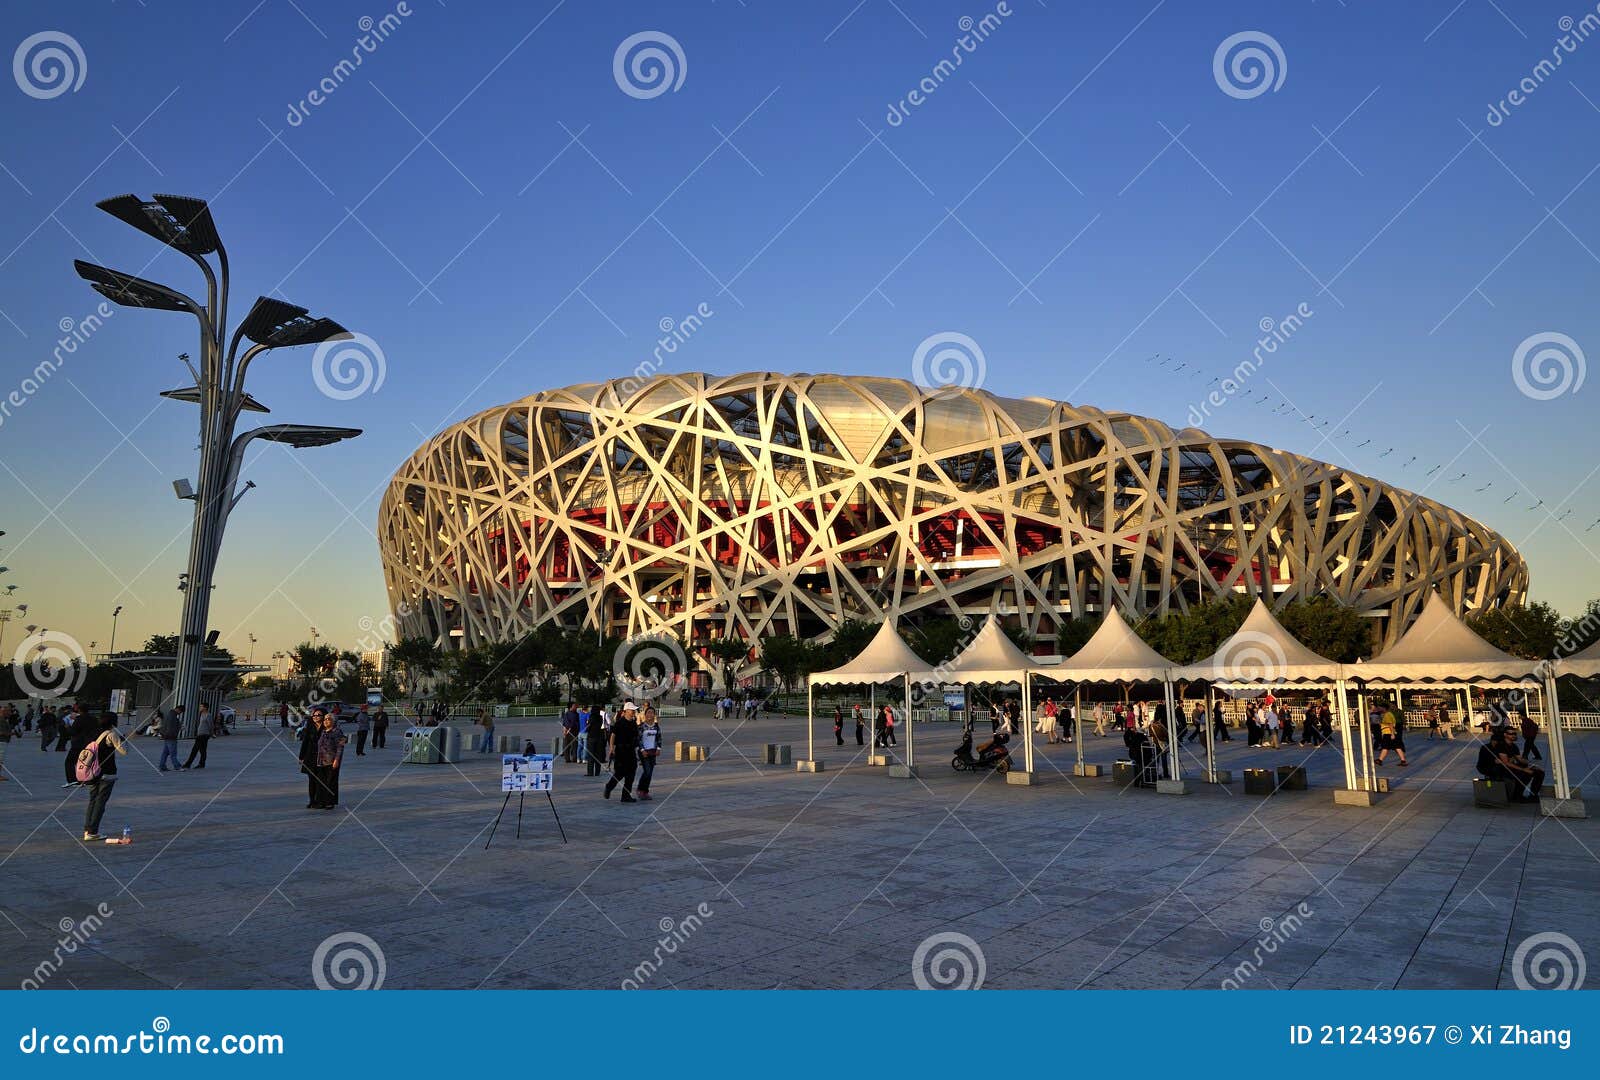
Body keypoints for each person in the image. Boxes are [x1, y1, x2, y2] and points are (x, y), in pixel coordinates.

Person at [79, 713, 127, 841]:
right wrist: (122, 738)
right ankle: (92, 832)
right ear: (113, 722)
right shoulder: (111, 734)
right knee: (100, 803)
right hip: (106, 773)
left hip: (92, 773)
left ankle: (87, 830)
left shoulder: (93, 733)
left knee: (92, 801)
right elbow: (124, 751)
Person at [604, 701, 640, 802]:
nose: (633, 712)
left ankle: (626, 796)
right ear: (626, 710)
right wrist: (611, 748)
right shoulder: (620, 722)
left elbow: (636, 737)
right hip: (621, 751)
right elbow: (613, 736)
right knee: (620, 773)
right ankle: (609, 787)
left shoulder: (633, 723)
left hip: (631, 751)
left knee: (631, 775)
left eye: (634, 710)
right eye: (631, 710)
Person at [316, 711, 348, 809]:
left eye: (328, 719)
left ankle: (330, 802)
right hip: (321, 761)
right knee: (322, 782)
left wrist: (337, 760)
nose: (325, 721)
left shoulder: (337, 731)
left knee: (330, 782)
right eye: (325, 719)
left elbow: (340, 747)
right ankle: (322, 801)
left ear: (333, 721)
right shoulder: (323, 731)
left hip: (331, 761)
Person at [300, 708, 329, 809]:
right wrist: (301, 757)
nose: (316, 717)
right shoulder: (310, 726)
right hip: (310, 757)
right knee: (311, 780)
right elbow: (305, 742)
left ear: (323, 716)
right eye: (314, 715)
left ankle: (321, 801)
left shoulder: (327, 726)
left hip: (323, 758)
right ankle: (312, 801)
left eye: (318, 715)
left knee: (321, 780)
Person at [64, 705, 95, 787]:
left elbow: (73, 732)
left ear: (79, 710)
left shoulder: (79, 719)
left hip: (78, 744)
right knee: (87, 762)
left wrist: (67, 727)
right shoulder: (94, 719)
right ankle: (89, 779)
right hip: (90, 744)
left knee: (69, 762)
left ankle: (73, 780)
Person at [637, 705, 662, 800]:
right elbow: (638, 740)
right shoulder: (641, 726)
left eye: (652, 713)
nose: (650, 714)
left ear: (654, 715)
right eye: (648, 712)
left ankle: (645, 791)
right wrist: (642, 750)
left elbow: (659, 738)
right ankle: (640, 789)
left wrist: (658, 748)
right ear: (645, 714)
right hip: (644, 752)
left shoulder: (656, 726)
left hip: (653, 751)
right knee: (647, 771)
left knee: (650, 773)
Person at [1375, 701, 1408, 767]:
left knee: (1385, 747)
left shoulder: (1387, 715)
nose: (1378, 709)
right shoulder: (1387, 714)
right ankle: (1403, 760)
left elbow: (1390, 724)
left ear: (1384, 708)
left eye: (1380, 708)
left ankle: (1380, 760)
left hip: (1388, 733)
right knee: (1396, 747)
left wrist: (1392, 734)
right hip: (1389, 732)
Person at [181, 703, 213, 769]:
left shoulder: (208, 715)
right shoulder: (201, 714)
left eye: (201, 706)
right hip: (200, 734)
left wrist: (211, 734)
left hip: (204, 735)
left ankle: (188, 764)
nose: (200, 707)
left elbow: (211, 725)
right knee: (202, 750)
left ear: (205, 708)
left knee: (195, 750)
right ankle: (201, 764)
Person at [585, 705, 606, 777]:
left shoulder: (592, 717)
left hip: (591, 737)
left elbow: (588, 727)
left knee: (591, 755)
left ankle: (590, 772)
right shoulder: (600, 717)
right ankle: (597, 772)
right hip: (599, 737)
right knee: (598, 756)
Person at [159, 705, 182, 772]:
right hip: (171, 737)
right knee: (173, 753)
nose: (180, 713)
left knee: (165, 753)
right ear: (178, 709)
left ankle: (162, 766)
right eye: (180, 711)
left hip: (166, 736)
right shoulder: (173, 717)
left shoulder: (169, 715)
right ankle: (177, 766)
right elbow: (171, 728)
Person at [0, 704, 14, 781]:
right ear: (4, 712)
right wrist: (11, 733)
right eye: (8, 712)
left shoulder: (3, 719)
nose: (10, 714)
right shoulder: (1, 720)